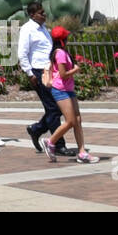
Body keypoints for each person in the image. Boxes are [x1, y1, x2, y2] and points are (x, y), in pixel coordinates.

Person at [42, 26, 99, 164]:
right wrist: (76, 69)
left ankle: (82, 152)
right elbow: (63, 75)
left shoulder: (61, 52)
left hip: (68, 89)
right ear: (63, 39)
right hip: (61, 89)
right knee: (70, 121)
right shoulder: (60, 53)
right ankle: (50, 141)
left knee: (77, 120)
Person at [18, 1, 69, 155]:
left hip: (50, 70)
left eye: (44, 12)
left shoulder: (44, 29)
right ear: (32, 15)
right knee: (53, 107)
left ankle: (36, 129)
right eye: (41, 13)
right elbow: (22, 53)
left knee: (55, 107)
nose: (44, 15)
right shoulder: (27, 29)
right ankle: (58, 144)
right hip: (39, 72)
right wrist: (30, 74)